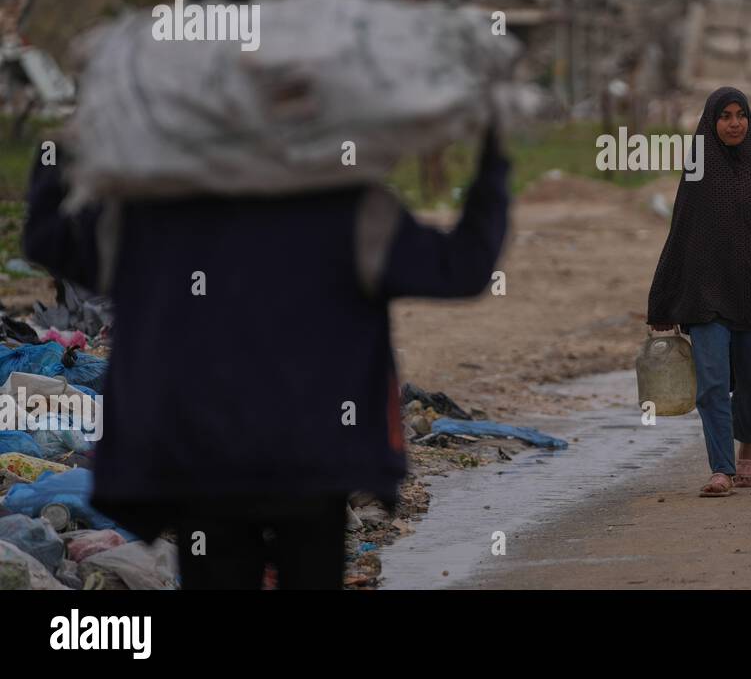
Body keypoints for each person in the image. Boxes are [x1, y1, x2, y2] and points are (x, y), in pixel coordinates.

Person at [23, 127, 510, 588]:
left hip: (202, 463)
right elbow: (462, 267)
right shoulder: (353, 210)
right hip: (314, 463)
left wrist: (57, 152)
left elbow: (49, 240)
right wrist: (492, 159)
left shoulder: (155, 214)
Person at [646, 87, 751, 497]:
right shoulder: (699, 172)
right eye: (725, 116)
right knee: (711, 381)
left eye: (741, 114)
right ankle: (721, 469)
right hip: (707, 296)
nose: (735, 122)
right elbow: (681, 236)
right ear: (712, 122)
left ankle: (749, 444)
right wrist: (662, 302)